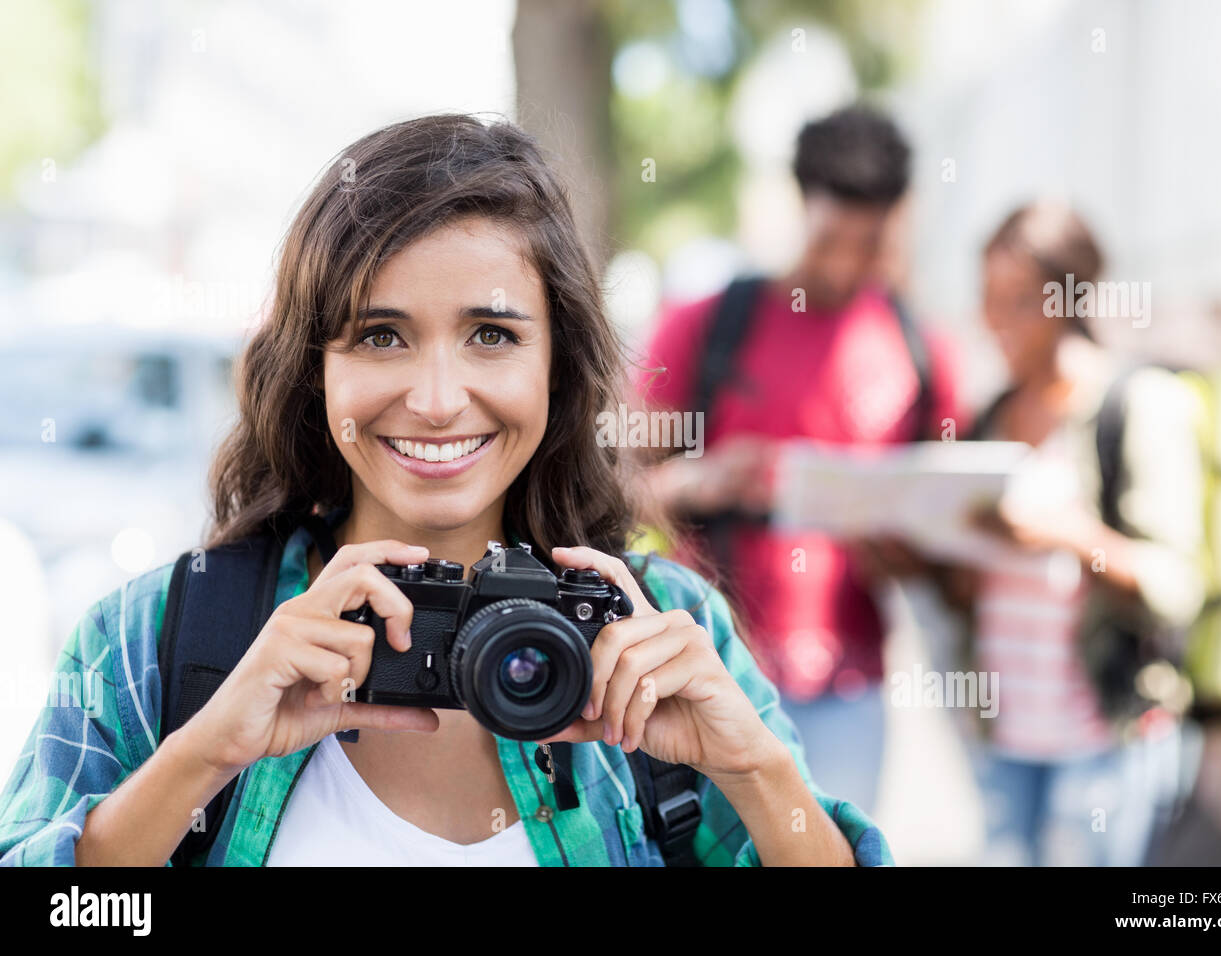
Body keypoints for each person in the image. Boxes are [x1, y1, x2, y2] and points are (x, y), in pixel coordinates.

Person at [0, 113, 892, 867]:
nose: (433, 401)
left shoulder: (664, 635)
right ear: (314, 370)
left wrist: (757, 774)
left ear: (559, 365)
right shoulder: (156, 641)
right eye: (380, 337)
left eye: (492, 336)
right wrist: (202, 754)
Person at [634, 104, 962, 817]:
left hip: (852, 684)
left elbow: (951, 531)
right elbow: (607, 494)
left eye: (869, 245)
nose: (846, 266)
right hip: (709, 670)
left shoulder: (916, 345)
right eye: (830, 241)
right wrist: (698, 480)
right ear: (798, 206)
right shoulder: (707, 326)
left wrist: (908, 549)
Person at [942, 200, 1204, 866]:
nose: (994, 321)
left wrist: (1064, 534)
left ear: (1067, 299)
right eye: (988, 299)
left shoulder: (1134, 404)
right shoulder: (989, 419)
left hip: (1102, 737)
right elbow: (972, 589)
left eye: (1018, 300)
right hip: (1004, 736)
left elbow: (1175, 582)